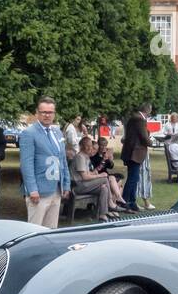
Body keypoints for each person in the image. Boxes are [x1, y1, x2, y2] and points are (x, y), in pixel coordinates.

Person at [19, 96, 71, 227]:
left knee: (51, 231)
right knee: (34, 232)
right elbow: (26, 165)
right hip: (39, 192)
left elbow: (63, 160)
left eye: (50, 112)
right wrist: (32, 190)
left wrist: (66, 184)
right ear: (37, 113)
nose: (47, 115)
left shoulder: (57, 132)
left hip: (56, 190)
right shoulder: (29, 134)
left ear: (54, 114)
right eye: (44, 112)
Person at [70, 138, 115, 220]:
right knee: (104, 179)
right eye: (87, 146)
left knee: (104, 188)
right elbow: (84, 177)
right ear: (82, 146)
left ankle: (102, 214)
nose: (89, 148)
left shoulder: (85, 157)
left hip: (84, 185)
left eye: (90, 146)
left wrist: (96, 172)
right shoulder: (80, 157)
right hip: (77, 186)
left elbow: (88, 173)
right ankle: (110, 202)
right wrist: (100, 176)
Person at [121, 102, 151, 212]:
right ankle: (125, 202)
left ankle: (132, 202)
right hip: (134, 153)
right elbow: (143, 137)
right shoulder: (139, 119)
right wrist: (151, 142)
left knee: (134, 178)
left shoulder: (134, 118)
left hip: (131, 151)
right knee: (132, 179)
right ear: (147, 110)